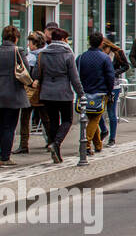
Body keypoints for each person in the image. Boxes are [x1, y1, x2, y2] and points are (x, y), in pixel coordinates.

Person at [34, 28, 83, 163]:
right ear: (62, 39)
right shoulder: (67, 54)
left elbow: (37, 74)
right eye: (66, 39)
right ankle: (56, 143)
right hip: (63, 93)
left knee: (53, 121)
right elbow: (74, 77)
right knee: (67, 119)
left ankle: (56, 150)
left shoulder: (43, 54)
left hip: (47, 93)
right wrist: (81, 94)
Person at [76, 31, 116, 154]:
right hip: (100, 92)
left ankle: (98, 145)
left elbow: (76, 75)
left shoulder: (81, 57)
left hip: (85, 92)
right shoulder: (105, 58)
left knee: (93, 117)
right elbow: (110, 77)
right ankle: (86, 144)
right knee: (95, 119)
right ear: (101, 43)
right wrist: (110, 91)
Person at [0, 26, 31, 166]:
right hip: (13, 94)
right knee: (9, 126)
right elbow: (26, 70)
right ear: (15, 38)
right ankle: (5, 157)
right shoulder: (18, 51)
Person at [17, 31, 45, 155]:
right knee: (45, 117)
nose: (28, 45)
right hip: (39, 91)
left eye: (30, 42)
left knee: (25, 118)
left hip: (32, 90)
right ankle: (51, 142)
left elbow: (28, 72)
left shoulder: (34, 56)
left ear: (35, 44)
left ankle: (24, 145)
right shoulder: (42, 54)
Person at [101, 38, 129, 146]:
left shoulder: (118, 53)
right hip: (102, 85)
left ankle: (112, 138)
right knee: (98, 111)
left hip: (114, 85)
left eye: (105, 50)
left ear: (108, 47)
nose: (104, 52)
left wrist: (115, 72)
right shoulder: (100, 55)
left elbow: (126, 66)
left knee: (111, 111)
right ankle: (104, 130)